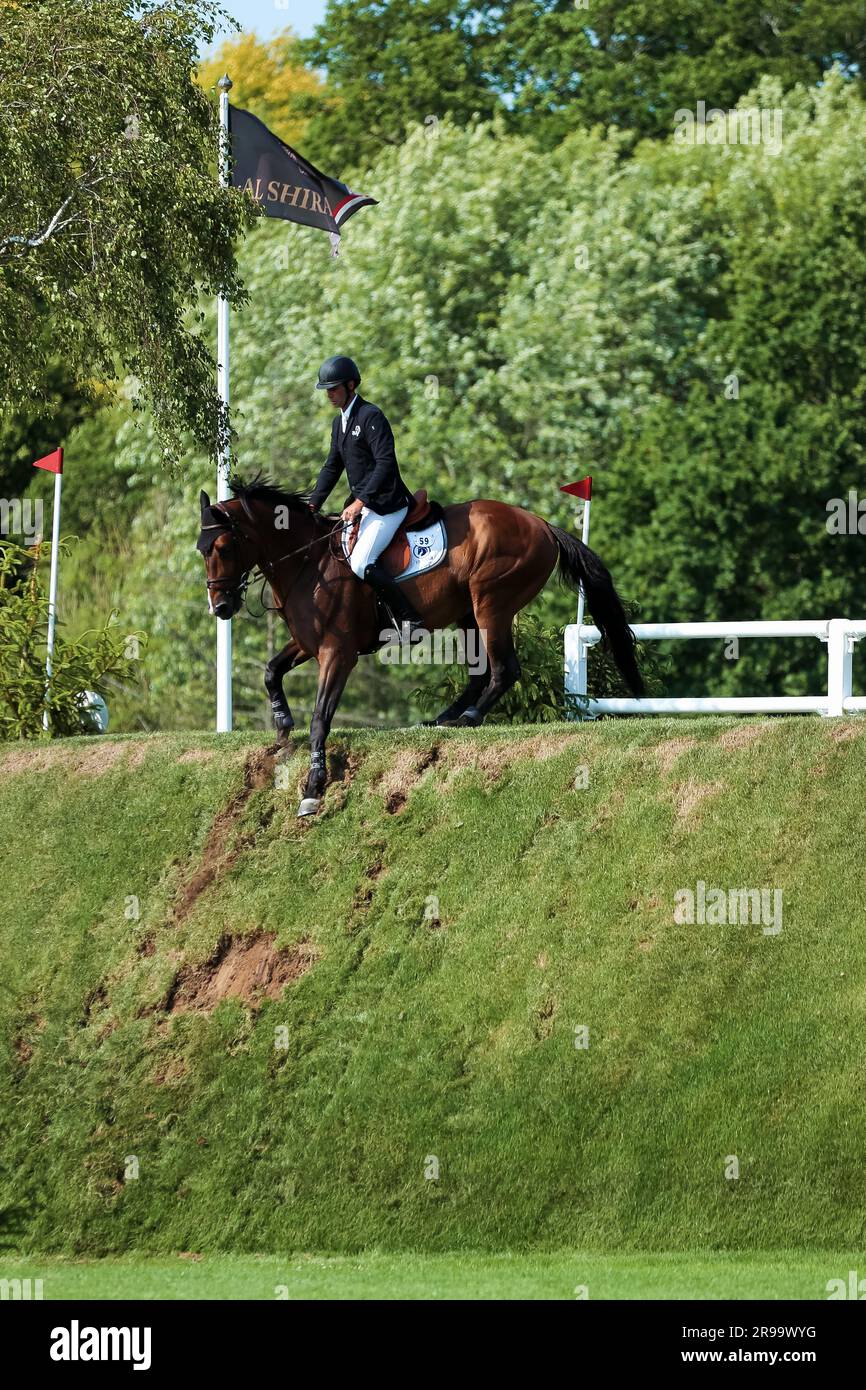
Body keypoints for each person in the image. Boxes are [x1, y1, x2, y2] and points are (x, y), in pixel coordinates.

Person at [308, 355, 426, 632]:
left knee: (362, 562)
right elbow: (332, 466)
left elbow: (385, 463)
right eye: (327, 390)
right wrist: (312, 505)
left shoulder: (371, 415)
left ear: (351, 385)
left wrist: (361, 501)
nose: (329, 395)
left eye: (334, 389)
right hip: (366, 506)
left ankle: (410, 618)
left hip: (388, 504)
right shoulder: (339, 424)